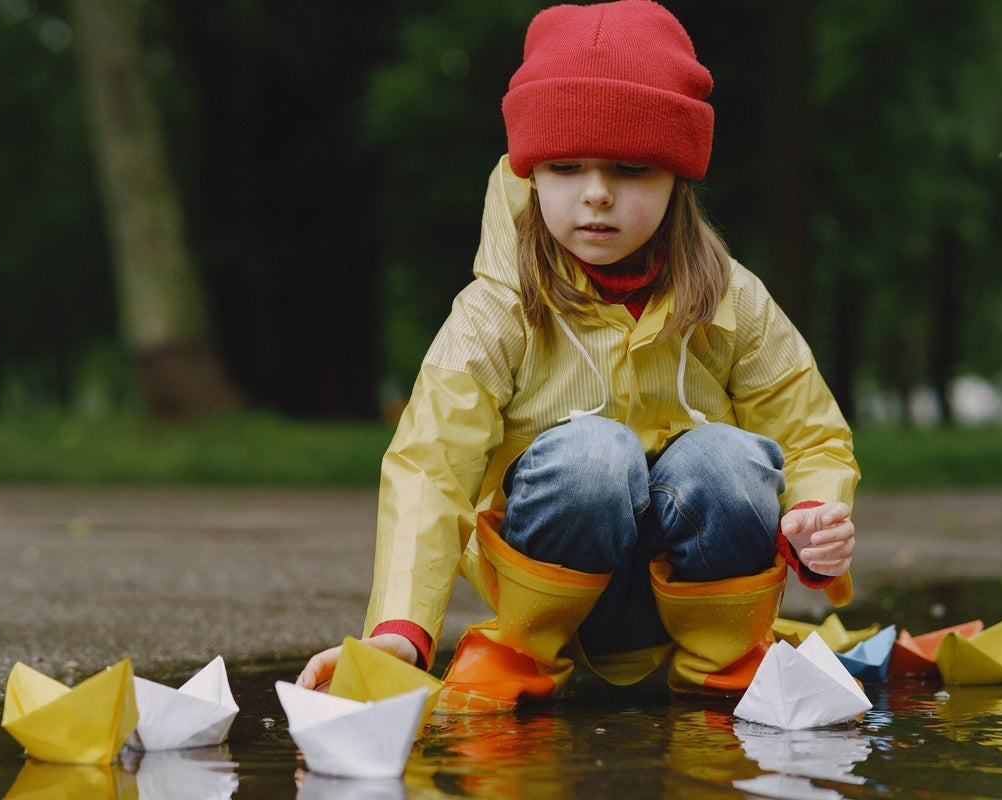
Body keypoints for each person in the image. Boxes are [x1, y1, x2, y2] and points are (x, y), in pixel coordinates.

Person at [298, 0, 858, 712]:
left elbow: (813, 437)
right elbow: (429, 468)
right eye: (565, 166)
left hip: (687, 600)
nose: (596, 194)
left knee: (729, 458)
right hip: (550, 599)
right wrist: (400, 633)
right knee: (594, 453)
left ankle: (727, 670)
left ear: (677, 174)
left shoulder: (733, 300)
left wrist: (816, 512)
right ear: (532, 172)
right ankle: (522, 661)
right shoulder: (496, 311)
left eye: (629, 168)